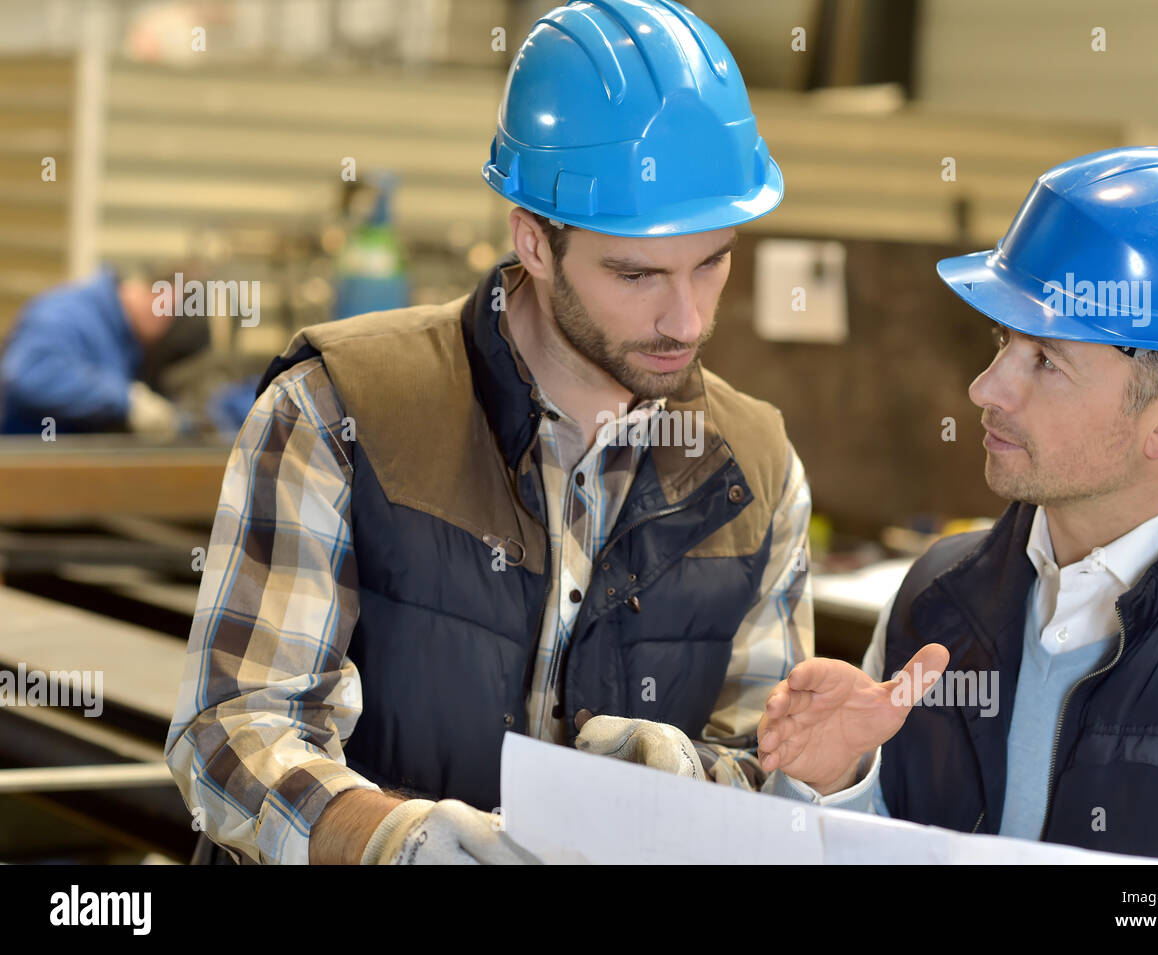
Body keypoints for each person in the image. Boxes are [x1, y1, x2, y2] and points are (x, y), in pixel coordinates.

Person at [166, 0, 811, 865]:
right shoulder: (340, 410)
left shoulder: (756, 469)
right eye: (636, 273)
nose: (687, 319)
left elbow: (767, 773)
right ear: (534, 243)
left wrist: (689, 782)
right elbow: (230, 733)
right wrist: (389, 841)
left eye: (714, 261)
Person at [758, 146, 1158, 864]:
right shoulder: (933, 601)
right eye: (1003, 341)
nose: (986, 388)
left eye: (1046, 359)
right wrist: (832, 786)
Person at [0, 266, 185, 436]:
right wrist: (127, 400)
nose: (166, 323)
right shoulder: (68, 314)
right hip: (27, 460)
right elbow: (32, 375)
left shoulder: (121, 336)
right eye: (167, 308)